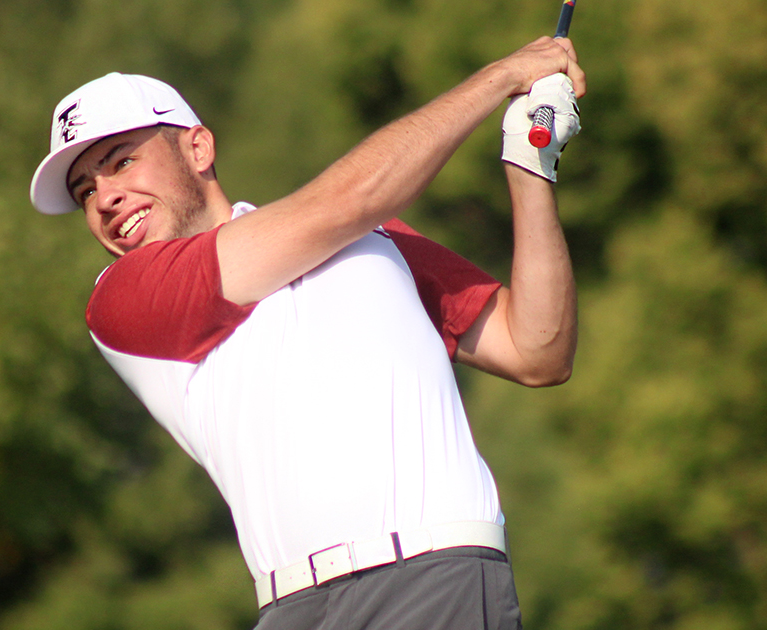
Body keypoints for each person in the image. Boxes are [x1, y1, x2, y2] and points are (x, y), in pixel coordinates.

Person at [29, 36, 585, 630]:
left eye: (120, 161)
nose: (105, 198)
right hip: (294, 608)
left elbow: (537, 350)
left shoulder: (378, 238)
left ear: (197, 147)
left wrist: (531, 166)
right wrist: (501, 76)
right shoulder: (121, 299)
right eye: (85, 191)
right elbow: (346, 202)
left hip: (435, 578)